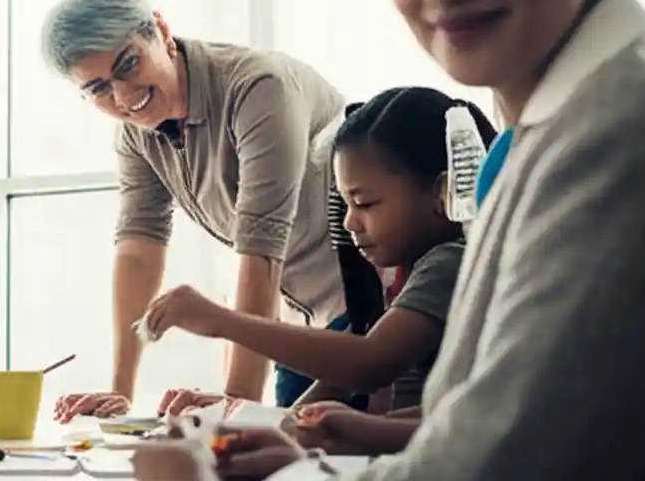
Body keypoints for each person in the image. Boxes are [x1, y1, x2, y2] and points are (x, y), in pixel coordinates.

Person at [137, 0, 645, 478]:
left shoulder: (624, 133)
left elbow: (506, 461)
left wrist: (270, 474)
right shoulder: (558, 128)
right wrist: (311, 460)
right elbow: (479, 425)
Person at [43, 0, 348, 420]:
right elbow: (138, 254)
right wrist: (120, 395)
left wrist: (234, 407)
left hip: (366, 310)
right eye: (98, 89)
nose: (123, 97)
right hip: (296, 322)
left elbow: (261, 253)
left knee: (316, 439)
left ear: (161, 31)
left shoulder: (259, 88)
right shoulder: (135, 135)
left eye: (128, 64)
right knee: (288, 441)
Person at [143, 87, 495, 417]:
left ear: (442, 191)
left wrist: (223, 321)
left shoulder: (451, 263)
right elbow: (300, 416)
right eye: (345, 204)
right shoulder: (395, 290)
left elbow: (369, 364)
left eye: (365, 203)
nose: (349, 222)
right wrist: (232, 413)